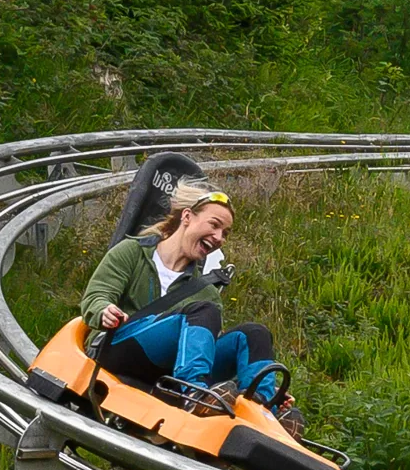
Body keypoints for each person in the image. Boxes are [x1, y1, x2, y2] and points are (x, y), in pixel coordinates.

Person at [79, 182, 299, 430]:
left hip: (169, 370)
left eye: (225, 233)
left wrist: (244, 381)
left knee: (255, 333)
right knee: (203, 311)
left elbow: (202, 350)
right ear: (187, 217)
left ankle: (260, 406)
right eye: (214, 225)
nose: (219, 238)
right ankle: (194, 395)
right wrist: (104, 310)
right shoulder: (132, 252)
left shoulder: (206, 291)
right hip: (117, 346)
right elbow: (96, 296)